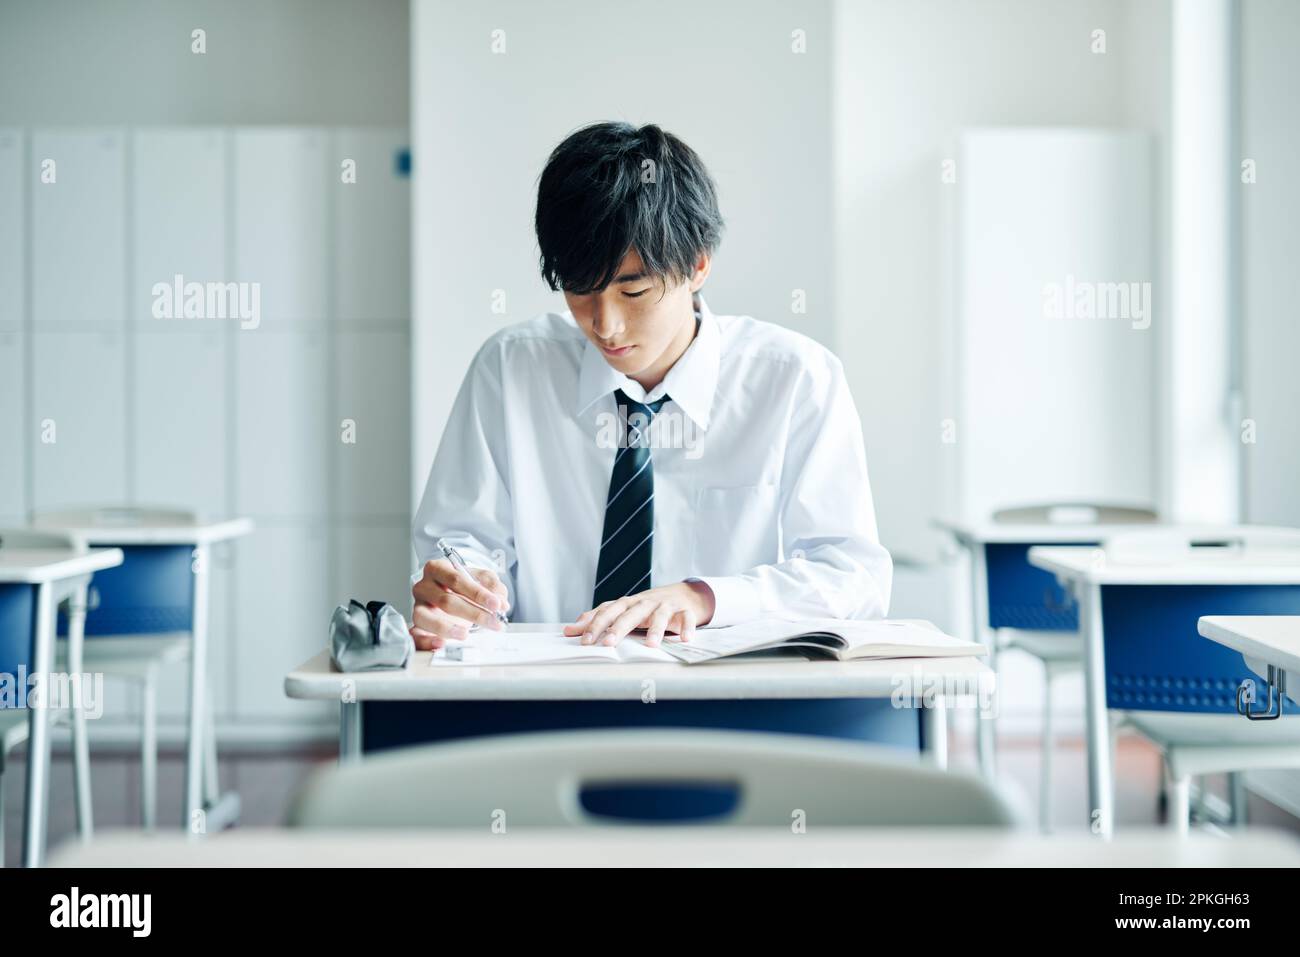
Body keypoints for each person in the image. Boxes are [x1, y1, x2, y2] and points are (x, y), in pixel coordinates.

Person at [411, 121, 891, 651]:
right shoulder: (510, 368)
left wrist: (706, 598)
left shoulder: (796, 379)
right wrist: (464, 589)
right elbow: (462, 540)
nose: (605, 325)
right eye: (579, 290)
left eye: (633, 291)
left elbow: (855, 577)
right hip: (545, 696)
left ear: (698, 266)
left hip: (731, 702)